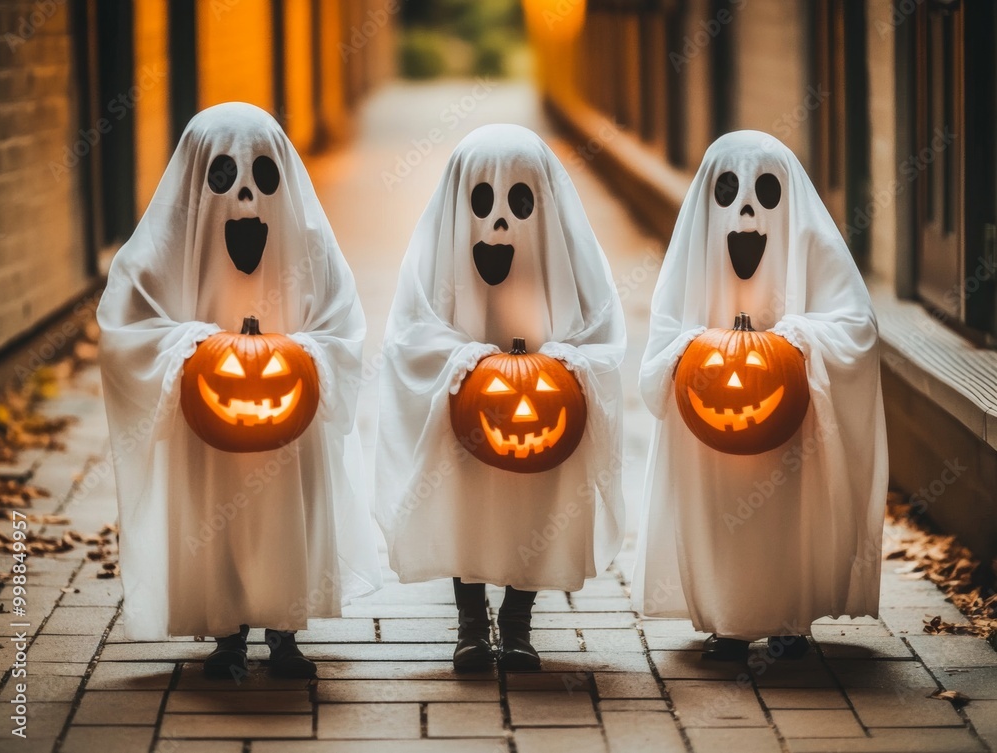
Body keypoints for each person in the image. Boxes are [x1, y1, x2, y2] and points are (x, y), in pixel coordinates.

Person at [97, 102, 380, 679]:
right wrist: (195, 348)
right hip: (207, 418)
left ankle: (284, 632)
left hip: (288, 418)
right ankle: (227, 634)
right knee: (214, 522)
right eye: (226, 177)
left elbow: (342, 323)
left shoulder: (308, 244)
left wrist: (300, 356)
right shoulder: (165, 246)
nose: (247, 196)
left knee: (286, 520)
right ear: (200, 172)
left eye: (262, 176)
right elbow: (126, 328)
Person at [375, 124, 626, 671]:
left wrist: (561, 366)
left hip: (542, 406)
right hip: (467, 405)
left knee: (532, 508)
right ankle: (470, 623)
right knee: (465, 502)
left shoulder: (572, 259)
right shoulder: (435, 257)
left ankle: (517, 621)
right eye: (483, 201)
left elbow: (602, 334)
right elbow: (409, 334)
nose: (500, 222)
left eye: (518, 200)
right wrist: (464, 364)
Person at [632, 130, 888, 661]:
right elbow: (660, 347)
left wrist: (794, 340)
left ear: (787, 197)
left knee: (784, 512)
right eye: (728, 190)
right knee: (720, 513)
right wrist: (697, 348)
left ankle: (789, 617)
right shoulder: (692, 255)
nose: (746, 208)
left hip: (789, 415)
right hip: (709, 418)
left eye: (765, 192)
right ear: (709, 196)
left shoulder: (811, 242)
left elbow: (856, 326)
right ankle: (727, 622)